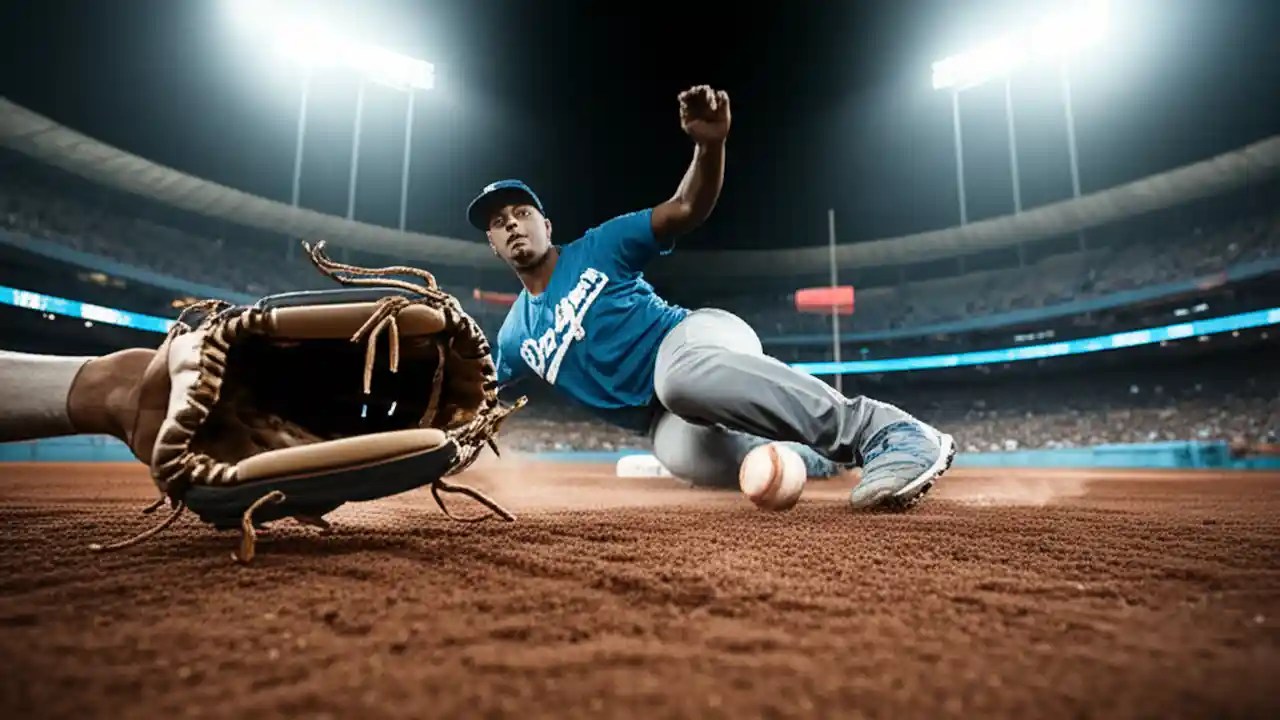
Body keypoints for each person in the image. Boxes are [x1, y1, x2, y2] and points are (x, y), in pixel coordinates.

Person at [468, 85, 955, 510]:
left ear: (545, 225)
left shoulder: (598, 247)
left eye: (521, 212)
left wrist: (710, 147)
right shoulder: (513, 336)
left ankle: (882, 430)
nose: (511, 223)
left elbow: (685, 207)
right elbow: (477, 399)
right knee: (700, 461)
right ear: (492, 243)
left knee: (678, 377)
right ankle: (810, 459)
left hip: (692, 340)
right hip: (662, 421)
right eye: (497, 222)